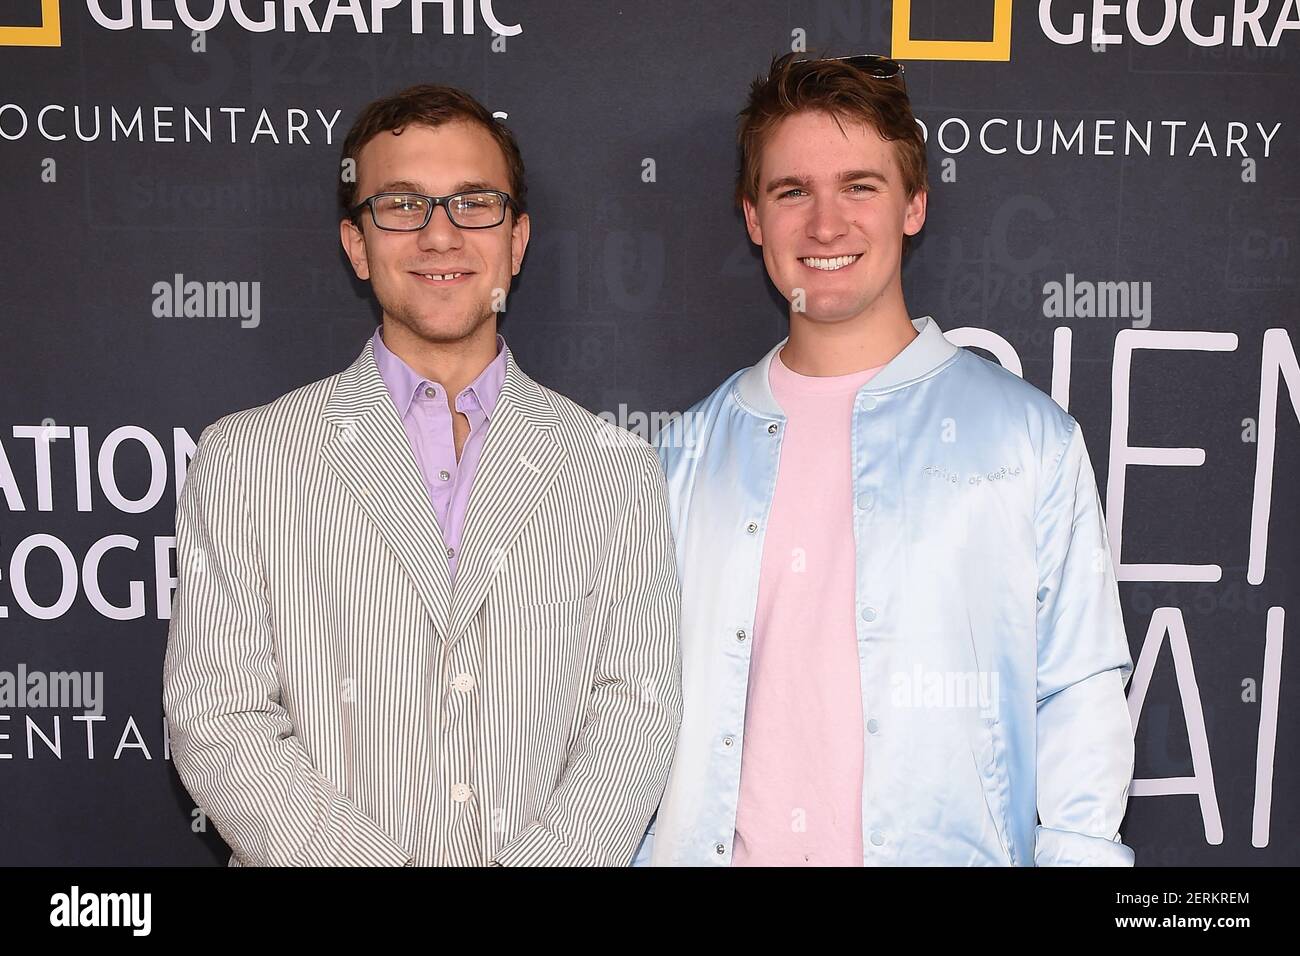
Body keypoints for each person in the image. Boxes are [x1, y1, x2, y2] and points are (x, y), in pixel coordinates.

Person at [637, 53, 1135, 866]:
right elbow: (633, 712)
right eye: (792, 190)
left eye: (860, 187)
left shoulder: (1028, 441)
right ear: (753, 217)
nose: (826, 226)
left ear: (914, 205)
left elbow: (1078, 693)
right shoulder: (684, 454)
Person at [164, 84, 681, 867]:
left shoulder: (615, 471)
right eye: (401, 205)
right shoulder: (244, 461)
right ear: (356, 243)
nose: (440, 235)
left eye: (474, 203)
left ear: (517, 239)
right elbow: (217, 717)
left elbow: (635, 712)